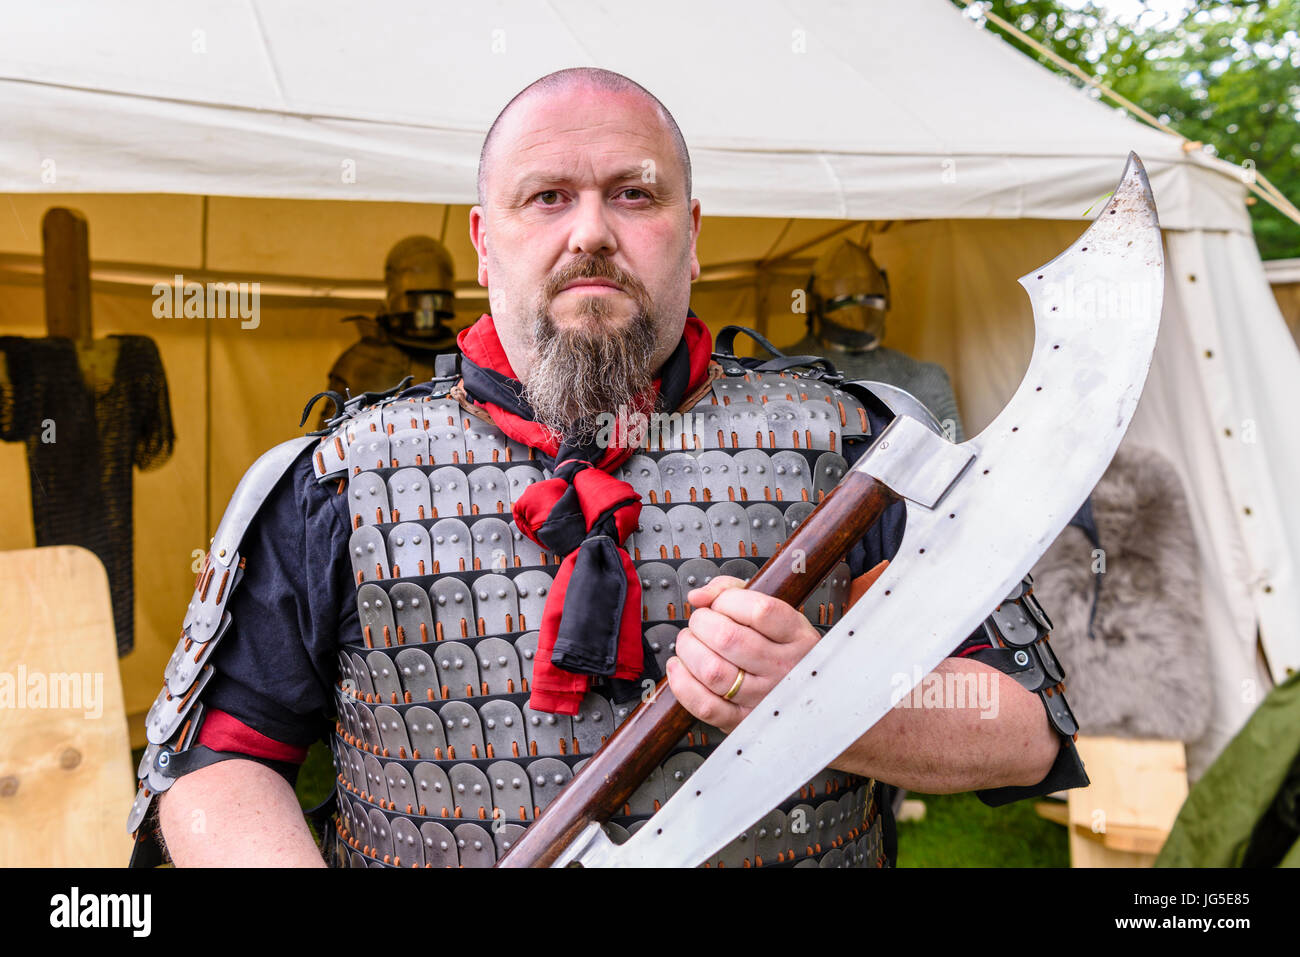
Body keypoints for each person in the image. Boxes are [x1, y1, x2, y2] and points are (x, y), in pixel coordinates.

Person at [129, 67, 1084, 868]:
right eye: (548, 196)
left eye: (634, 193)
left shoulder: (857, 450)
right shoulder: (336, 480)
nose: (590, 231)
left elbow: (1023, 728)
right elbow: (218, 761)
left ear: (694, 232)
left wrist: (828, 698)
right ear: (484, 237)